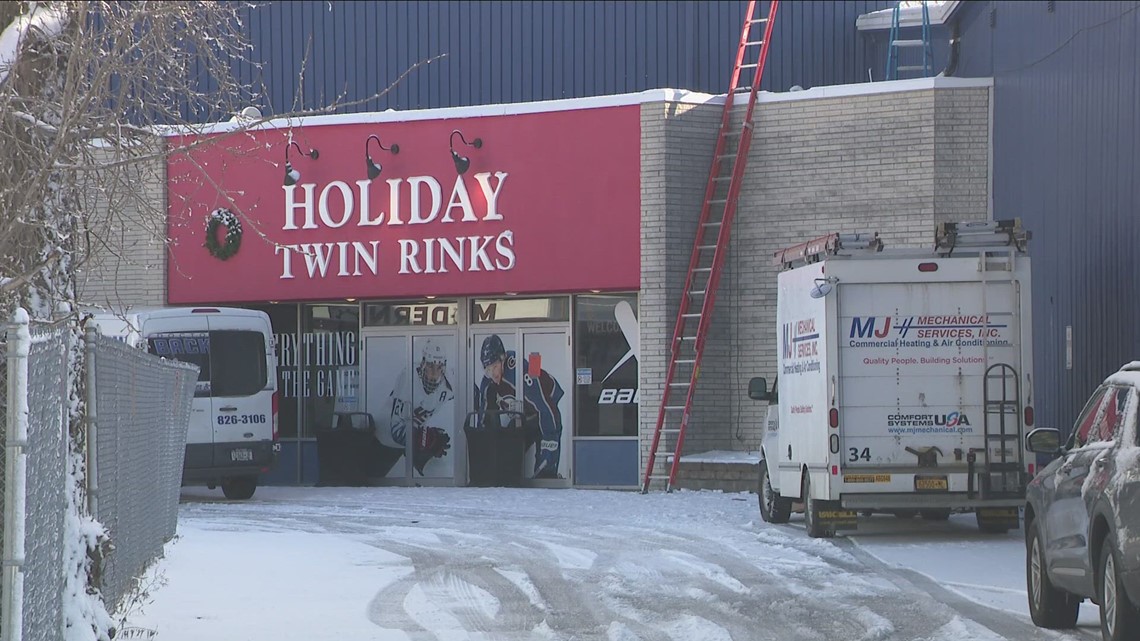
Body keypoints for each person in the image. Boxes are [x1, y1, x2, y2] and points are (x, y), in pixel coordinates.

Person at [475, 334, 565, 479]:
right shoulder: (488, 379)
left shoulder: (518, 371)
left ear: (503, 359)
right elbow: (484, 415)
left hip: (546, 409)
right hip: (524, 414)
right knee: (507, 448)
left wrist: (550, 443)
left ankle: (548, 475)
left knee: (545, 465)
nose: (492, 373)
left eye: (495, 367)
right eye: (487, 369)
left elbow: (545, 408)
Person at [377, 338, 454, 476]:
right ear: (423, 363)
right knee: (374, 481)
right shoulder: (408, 378)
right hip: (385, 439)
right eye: (430, 366)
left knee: (440, 472)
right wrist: (426, 437)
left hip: (414, 437)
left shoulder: (449, 381)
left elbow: (471, 392)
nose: (434, 373)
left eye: (439, 367)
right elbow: (397, 431)